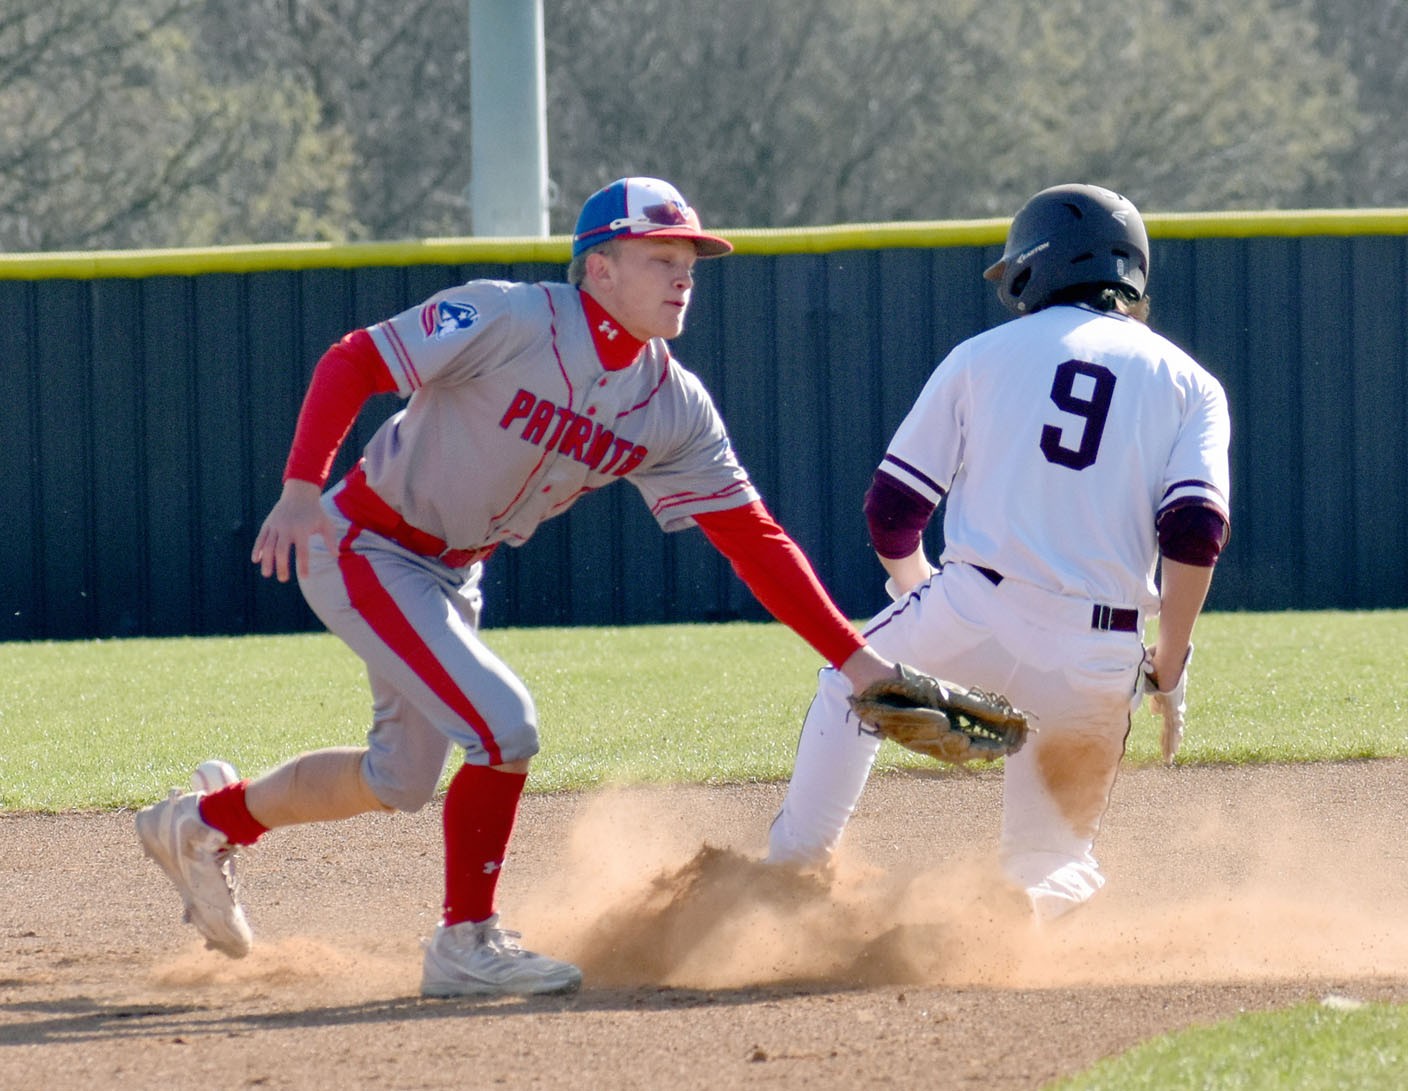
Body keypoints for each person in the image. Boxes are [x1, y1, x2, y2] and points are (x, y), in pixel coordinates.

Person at [135, 176, 896, 996]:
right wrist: (298, 488)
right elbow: (354, 358)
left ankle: (204, 824)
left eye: (690, 261)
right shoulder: (508, 317)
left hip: (453, 570)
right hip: (364, 542)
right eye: (661, 257)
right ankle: (464, 942)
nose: (684, 276)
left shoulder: (674, 406)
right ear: (600, 268)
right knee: (505, 727)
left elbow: (754, 539)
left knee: (400, 778)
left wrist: (857, 663)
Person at [765, 184, 1231, 922]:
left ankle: (791, 871)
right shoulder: (1192, 383)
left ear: (1036, 264)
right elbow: (1196, 529)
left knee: (850, 686)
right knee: (1056, 859)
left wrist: (916, 588)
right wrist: (1169, 665)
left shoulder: (980, 356)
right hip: (1097, 649)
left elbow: (892, 510)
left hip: (974, 606)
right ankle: (1015, 915)